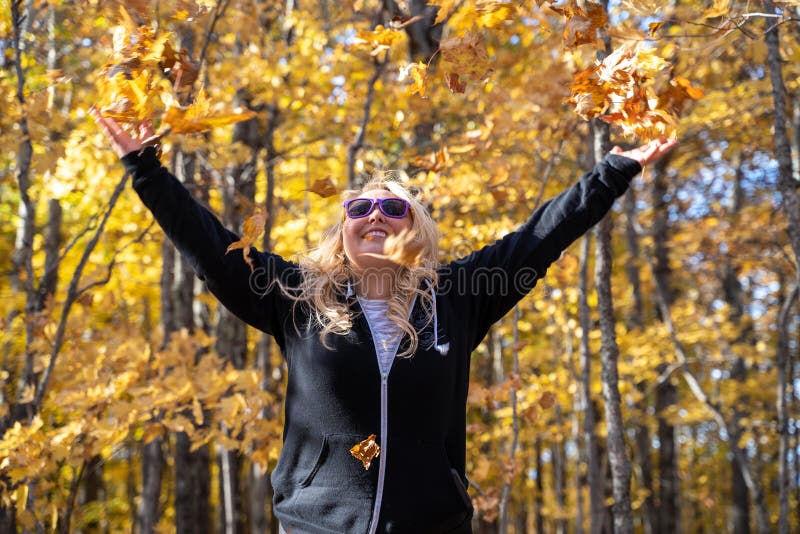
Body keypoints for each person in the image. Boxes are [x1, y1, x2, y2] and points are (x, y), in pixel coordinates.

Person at [92, 108, 677, 534]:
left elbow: (539, 236)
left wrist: (614, 170)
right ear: (343, 228)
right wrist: (145, 167)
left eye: (394, 207)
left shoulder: (458, 296)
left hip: (433, 523)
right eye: (360, 207)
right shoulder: (294, 295)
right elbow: (207, 244)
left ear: (414, 230)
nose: (375, 215)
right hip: (315, 524)